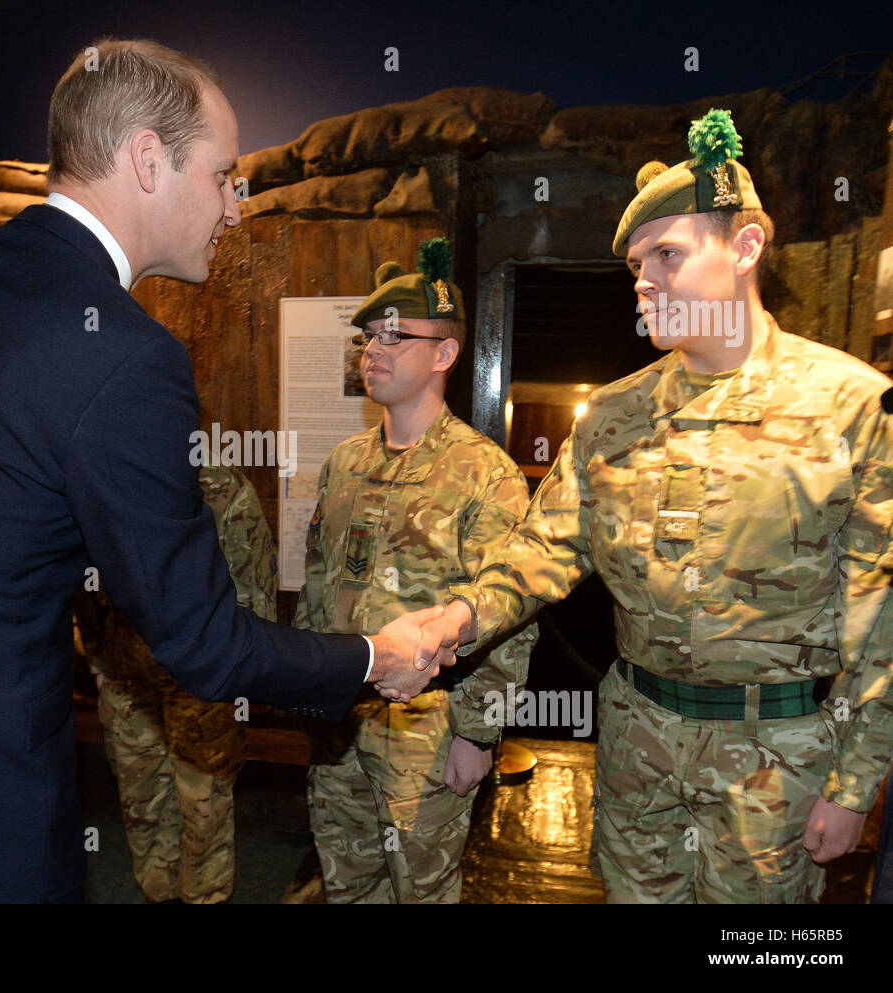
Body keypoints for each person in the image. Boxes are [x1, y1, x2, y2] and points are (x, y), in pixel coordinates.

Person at [0, 38, 453, 904]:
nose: (234, 208)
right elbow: (201, 642)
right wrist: (372, 657)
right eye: (223, 175)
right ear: (147, 159)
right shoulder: (128, 359)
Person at [426, 110, 893, 903]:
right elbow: (542, 551)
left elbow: (879, 613)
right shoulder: (612, 417)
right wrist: (452, 620)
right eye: (638, 263)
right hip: (639, 747)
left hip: (775, 762)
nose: (644, 279)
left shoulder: (849, 405)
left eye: (667, 254)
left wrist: (855, 780)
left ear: (745, 247)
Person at [298, 241, 537, 903]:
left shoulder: (485, 472)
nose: (373, 349)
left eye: (395, 336)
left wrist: (479, 732)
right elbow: (319, 585)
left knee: (422, 894)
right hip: (342, 726)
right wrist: (306, 690)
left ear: (445, 353)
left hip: (428, 738)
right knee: (346, 887)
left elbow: (511, 616)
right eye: (369, 336)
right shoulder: (343, 462)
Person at [86, 463, 272, 903]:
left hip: (201, 672)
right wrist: (97, 660)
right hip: (127, 669)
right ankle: (158, 894)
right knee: (140, 798)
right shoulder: (103, 484)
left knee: (203, 805)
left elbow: (253, 583)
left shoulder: (221, 488)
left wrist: (246, 676)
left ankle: (204, 897)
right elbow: (81, 578)